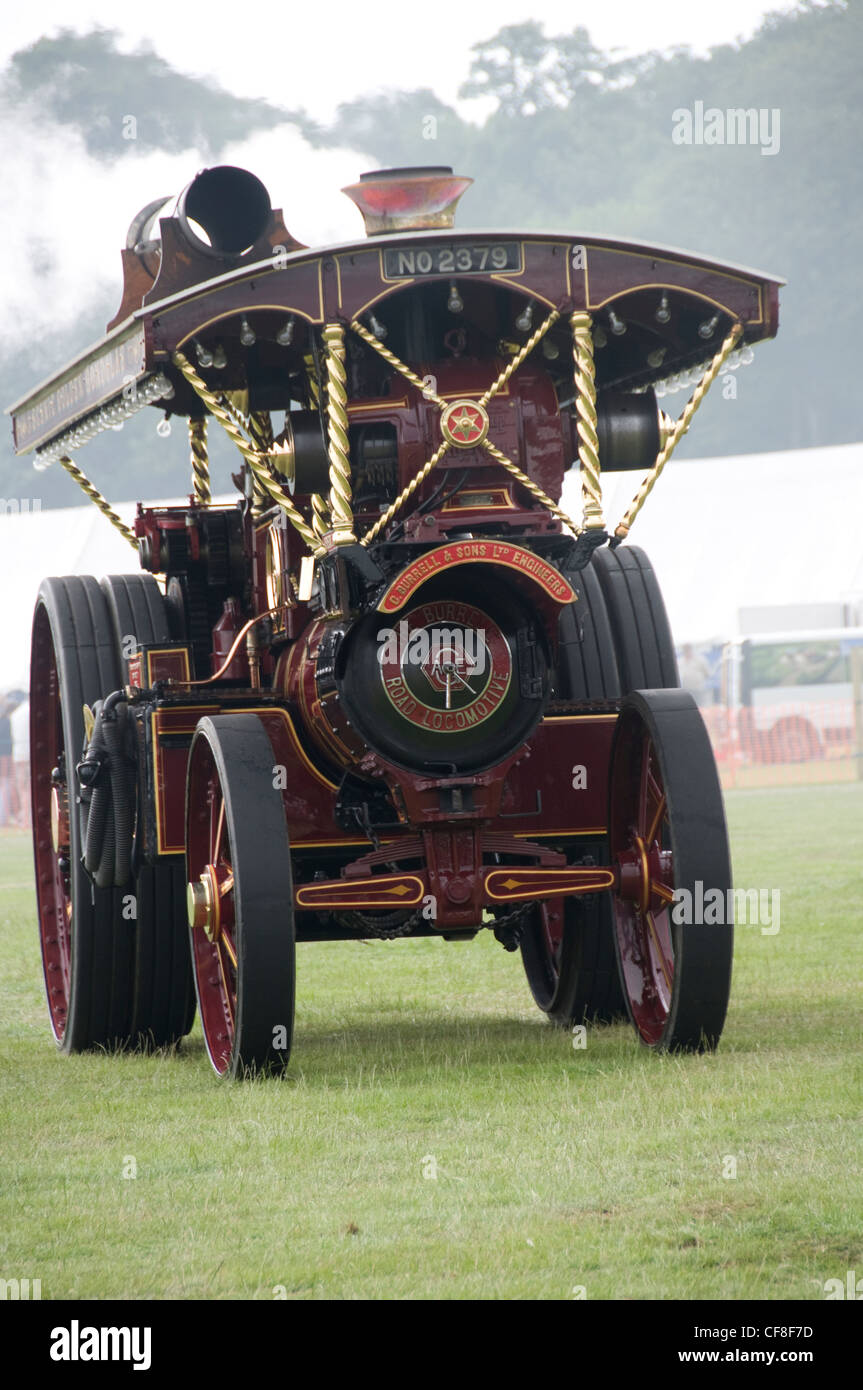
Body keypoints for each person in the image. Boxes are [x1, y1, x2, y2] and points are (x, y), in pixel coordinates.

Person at [10, 696, 30, 828]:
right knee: (29, 788)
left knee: (23, 788)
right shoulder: (29, 711)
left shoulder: (15, 714)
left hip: (19, 754)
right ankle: (28, 819)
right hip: (29, 751)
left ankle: (26, 820)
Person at [678, 644, 711, 708]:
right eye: (685, 650)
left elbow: (707, 673)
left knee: (699, 705)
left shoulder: (700, 660)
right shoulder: (680, 661)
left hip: (698, 688)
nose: (687, 652)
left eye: (688, 650)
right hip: (686, 689)